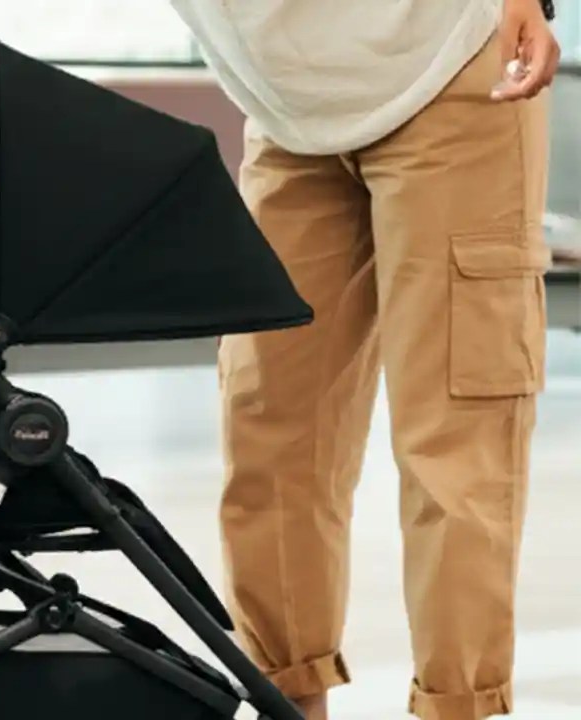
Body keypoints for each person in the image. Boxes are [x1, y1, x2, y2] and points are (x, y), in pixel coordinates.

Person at [165, 0, 559, 718]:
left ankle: (458, 708)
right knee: (268, 419)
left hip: (453, 69)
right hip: (289, 111)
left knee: (454, 438)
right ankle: (289, 701)